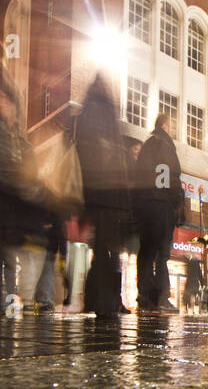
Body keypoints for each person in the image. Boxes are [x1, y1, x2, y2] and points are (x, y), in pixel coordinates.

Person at [74, 76, 132, 315]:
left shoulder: (84, 116)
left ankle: (96, 298)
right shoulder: (107, 117)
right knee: (107, 249)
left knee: (102, 248)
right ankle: (105, 300)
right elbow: (116, 162)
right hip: (109, 195)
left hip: (92, 193)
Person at [133, 112, 183, 312]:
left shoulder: (147, 145)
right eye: (170, 126)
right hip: (163, 206)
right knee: (162, 254)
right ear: (164, 125)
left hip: (147, 206)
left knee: (146, 252)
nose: (172, 129)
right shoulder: (166, 146)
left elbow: (140, 177)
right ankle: (162, 298)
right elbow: (172, 177)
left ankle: (145, 297)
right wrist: (176, 203)